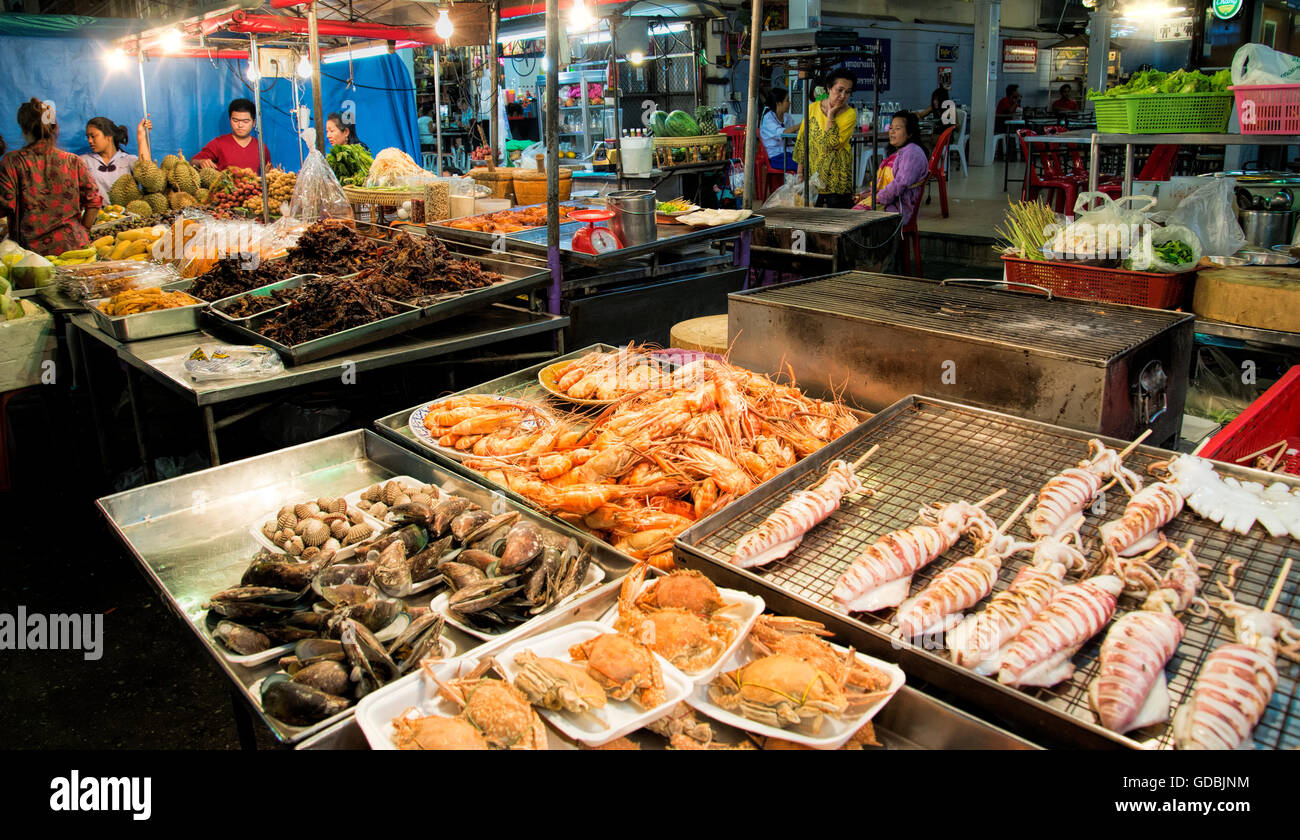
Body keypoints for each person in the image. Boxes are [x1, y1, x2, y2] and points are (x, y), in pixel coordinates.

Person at [0, 98, 101, 255]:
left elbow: (4, 205)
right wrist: (83, 231)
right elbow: (94, 202)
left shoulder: (13, 162)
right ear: (54, 128)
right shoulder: (73, 161)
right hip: (74, 251)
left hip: (31, 256)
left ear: (24, 129)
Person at [793, 68, 857, 208]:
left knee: (838, 219)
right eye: (839, 90)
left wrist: (831, 116)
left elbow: (831, 144)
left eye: (847, 92)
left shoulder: (850, 114)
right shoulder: (812, 109)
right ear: (829, 88)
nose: (842, 95)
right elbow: (803, 141)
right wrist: (800, 172)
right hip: (814, 176)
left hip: (837, 178)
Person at [852, 111, 929, 223]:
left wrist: (876, 198)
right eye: (891, 128)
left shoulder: (912, 153)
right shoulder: (899, 152)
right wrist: (867, 194)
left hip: (898, 209)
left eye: (897, 129)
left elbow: (900, 183)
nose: (892, 132)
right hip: (887, 202)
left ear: (909, 133)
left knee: (855, 220)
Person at [81, 116, 153, 205]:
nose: (90, 141)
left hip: (125, 216)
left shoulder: (127, 160)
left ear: (108, 136)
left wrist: (141, 136)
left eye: (93, 136)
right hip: (97, 216)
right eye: (88, 137)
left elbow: (149, 174)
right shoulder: (83, 161)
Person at [192, 98, 272, 171]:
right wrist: (201, 162)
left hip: (252, 186)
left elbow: (269, 173)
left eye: (245, 121)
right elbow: (193, 161)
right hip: (224, 186)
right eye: (235, 120)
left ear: (254, 123)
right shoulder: (218, 143)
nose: (240, 125)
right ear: (230, 120)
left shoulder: (261, 147)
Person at [759, 88, 796, 171]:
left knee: (808, 160)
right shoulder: (768, 118)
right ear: (779, 103)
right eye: (787, 100)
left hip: (788, 153)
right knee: (800, 165)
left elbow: (794, 136)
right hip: (775, 156)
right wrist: (803, 124)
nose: (790, 103)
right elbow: (783, 133)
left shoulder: (787, 117)